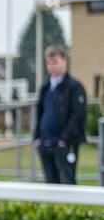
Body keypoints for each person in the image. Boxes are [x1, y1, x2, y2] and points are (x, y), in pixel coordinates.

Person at [32, 44, 87, 185]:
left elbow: (78, 115)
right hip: (45, 144)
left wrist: (64, 139)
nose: (52, 66)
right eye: (49, 63)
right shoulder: (45, 87)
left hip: (64, 145)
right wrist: (37, 137)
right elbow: (40, 112)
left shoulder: (74, 87)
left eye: (55, 62)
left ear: (65, 61)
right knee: (51, 185)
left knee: (67, 183)